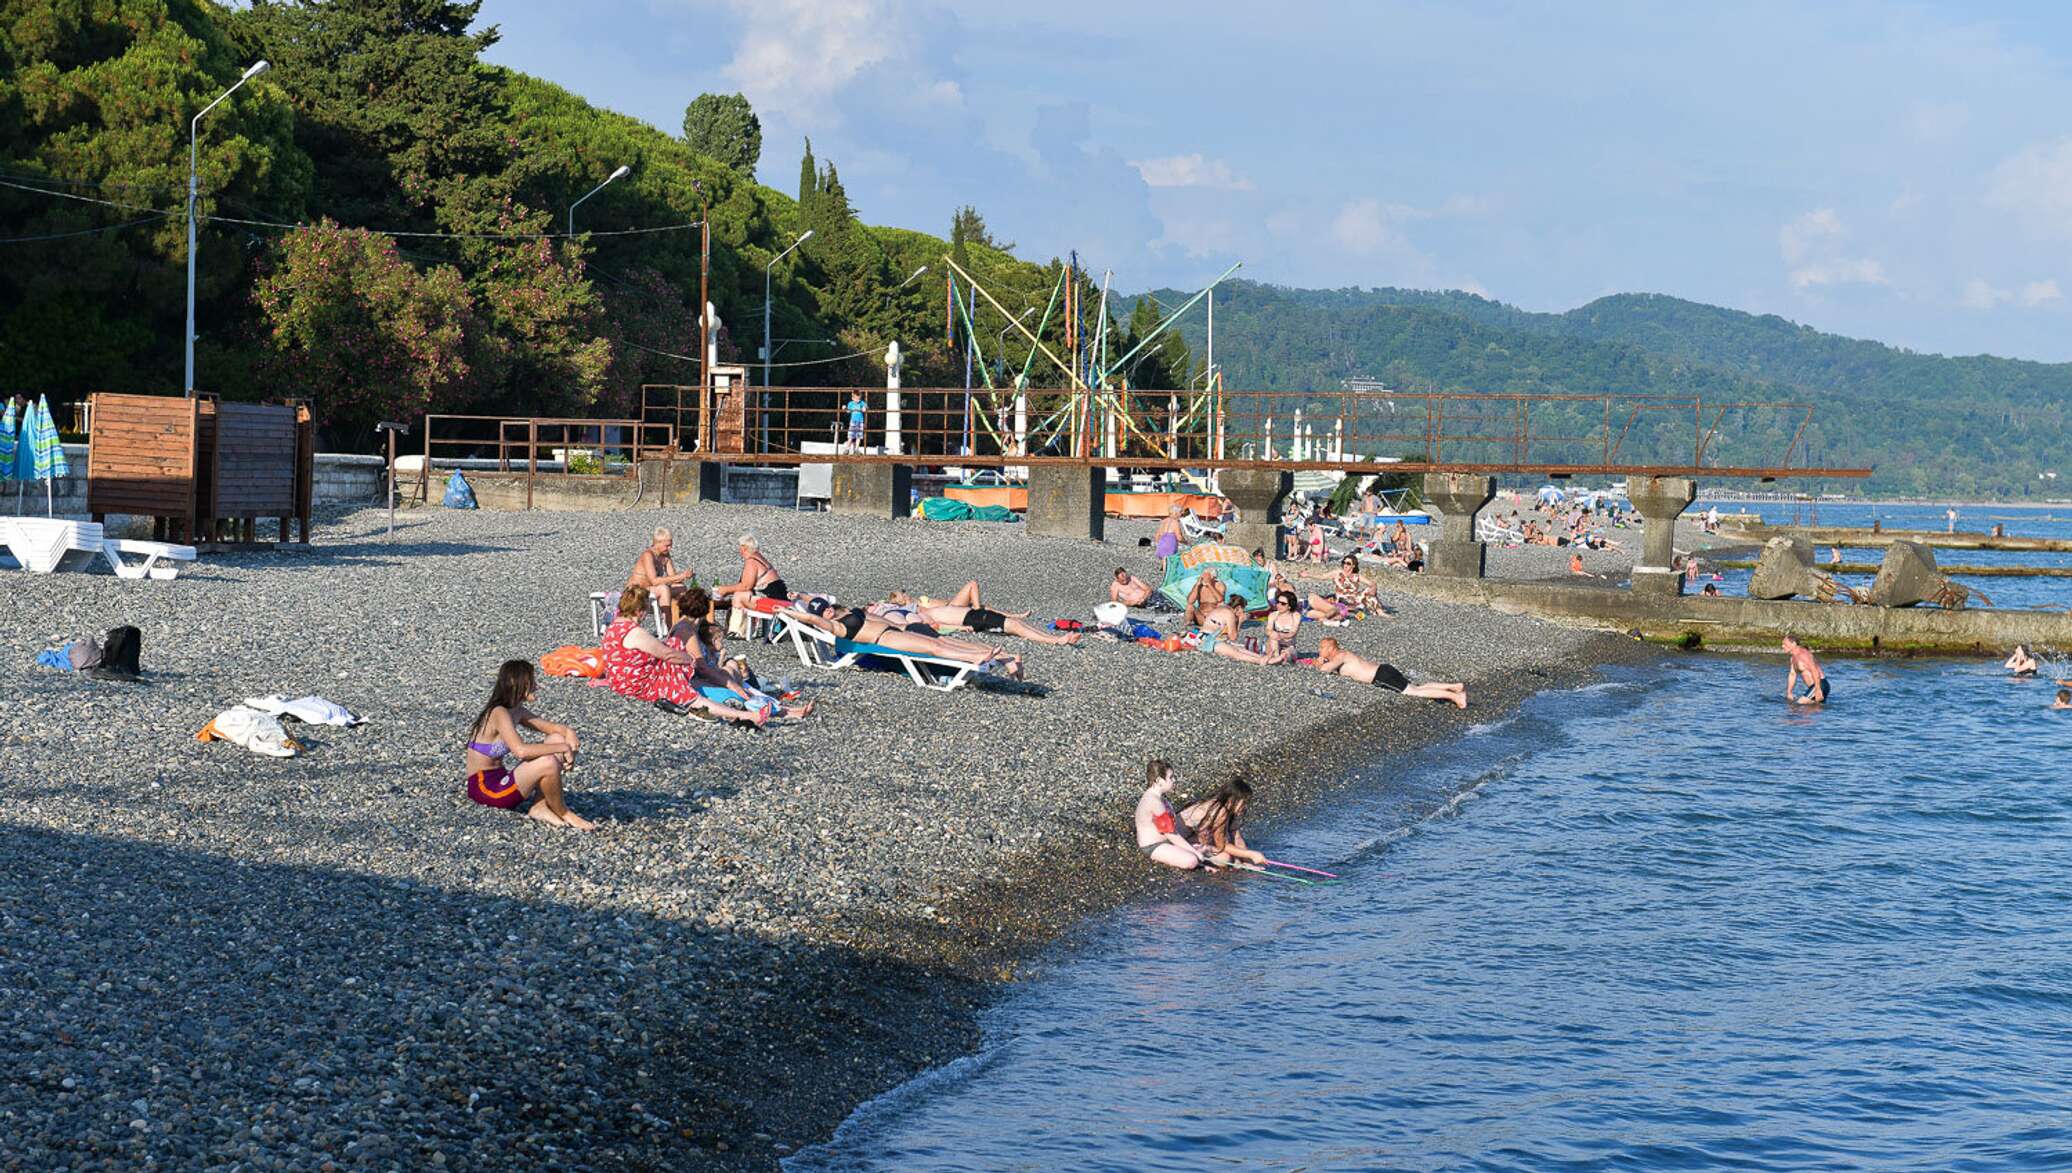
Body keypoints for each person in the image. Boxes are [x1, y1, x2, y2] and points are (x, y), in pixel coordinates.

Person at [602, 587, 769, 725]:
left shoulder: (615, 627)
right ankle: (748, 716)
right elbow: (666, 653)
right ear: (639, 611)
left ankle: (732, 707)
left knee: (678, 662)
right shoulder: (635, 632)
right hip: (636, 684)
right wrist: (689, 659)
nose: (646, 615)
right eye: (646, 609)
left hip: (620, 681)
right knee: (679, 668)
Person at [464, 659, 596, 830]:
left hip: (502, 778)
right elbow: (521, 752)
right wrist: (564, 748)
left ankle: (540, 806)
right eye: (532, 682)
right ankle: (563, 812)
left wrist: (569, 733)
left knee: (556, 738)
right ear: (517, 683)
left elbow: (554, 729)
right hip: (485, 789)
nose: (537, 686)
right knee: (548, 761)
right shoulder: (498, 712)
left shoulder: (517, 711)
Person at [790, 598, 1024, 679]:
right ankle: (975, 659)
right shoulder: (837, 627)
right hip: (885, 640)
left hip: (898, 631)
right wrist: (788, 612)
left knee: (941, 642)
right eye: (822, 612)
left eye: (827, 608)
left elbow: (879, 618)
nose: (826, 612)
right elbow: (813, 621)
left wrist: (906, 625)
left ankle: (994, 657)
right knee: (934, 647)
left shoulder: (852, 611)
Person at [1310, 636, 1468, 709]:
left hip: (1380, 676)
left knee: (1414, 692)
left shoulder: (1340, 655)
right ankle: (1454, 686)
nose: (1319, 650)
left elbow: (1325, 670)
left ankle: (1455, 696)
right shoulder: (1342, 655)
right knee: (1416, 687)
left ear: (1330, 648)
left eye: (1321, 647)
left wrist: (1318, 663)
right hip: (1384, 670)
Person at [907, 597, 1081, 646]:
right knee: (1015, 626)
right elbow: (936, 626)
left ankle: (1055, 638)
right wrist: (960, 628)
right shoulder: (922, 615)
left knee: (1017, 623)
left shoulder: (927, 608)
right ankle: (1057, 640)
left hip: (974, 614)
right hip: (972, 619)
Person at [1134, 759, 1208, 870]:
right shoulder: (1154, 802)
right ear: (1159, 780)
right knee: (1192, 860)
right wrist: (1194, 852)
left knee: (1203, 847)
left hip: (1165, 840)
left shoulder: (1159, 797)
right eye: (1171, 777)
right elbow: (1169, 833)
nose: (1174, 780)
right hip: (1153, 846)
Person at [1183, 779, 1267, 867]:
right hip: (1178, 841)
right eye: (1244, 803)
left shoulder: (1231, 811)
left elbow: (1237, 838)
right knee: (1225, 859)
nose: (1245, 807)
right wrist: (1250, 854)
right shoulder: (1219, 810)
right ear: (1232, 800)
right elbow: (1223, 845)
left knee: (1231, 858)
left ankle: (1205, 852)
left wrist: (1248, 862)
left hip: (1194, 840)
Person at [627, 527, 693, 626]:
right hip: (637, 590)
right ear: (657, 543)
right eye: (667, 546)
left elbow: (673, 577)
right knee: (663, 589)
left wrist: (682, 577)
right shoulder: (648, 555)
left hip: (651, 590)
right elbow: (654, 581)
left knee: (681, 588)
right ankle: (668, 626)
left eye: (671, 545)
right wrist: (681, 576)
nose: (670, 548)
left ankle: (685, 621)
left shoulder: (665, 556)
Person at [712, 533, 788, 617]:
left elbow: (746, 586)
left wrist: (725, 590)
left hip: (774, 603)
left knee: (739, 597)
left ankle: (736, 629)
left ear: (744, 548)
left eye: (740, 546)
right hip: (780, 599)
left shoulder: (751, 562)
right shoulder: (760, 558)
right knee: (743, 596)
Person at [1782, 633, 1828, 705]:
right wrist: (1789, 692)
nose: (1783, 646)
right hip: (1812, 687)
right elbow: (1792, 674)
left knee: (1799, 704)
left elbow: (1814, 671)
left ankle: (1791, 716)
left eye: (1785, 644)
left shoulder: (1804, 655)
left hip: (1820, 684)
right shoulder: (1793, 658)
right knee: (1811, 709)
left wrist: (1818, 689)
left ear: (1793, 643)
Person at [1263, 589, 1303, 664]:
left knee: (1287, 655)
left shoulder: (1296, 616)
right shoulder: (1273, 615)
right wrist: (1273, 634)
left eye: (1283, 603)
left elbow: (1293, 633)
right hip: (1273, 643)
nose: (1279, 605)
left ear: (1290, 606)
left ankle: (1276, 658)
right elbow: (1268, 630)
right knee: (1273, 637)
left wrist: (1280, 635)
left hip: (1288, 645)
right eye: (1277, 602)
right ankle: (1276, 657)